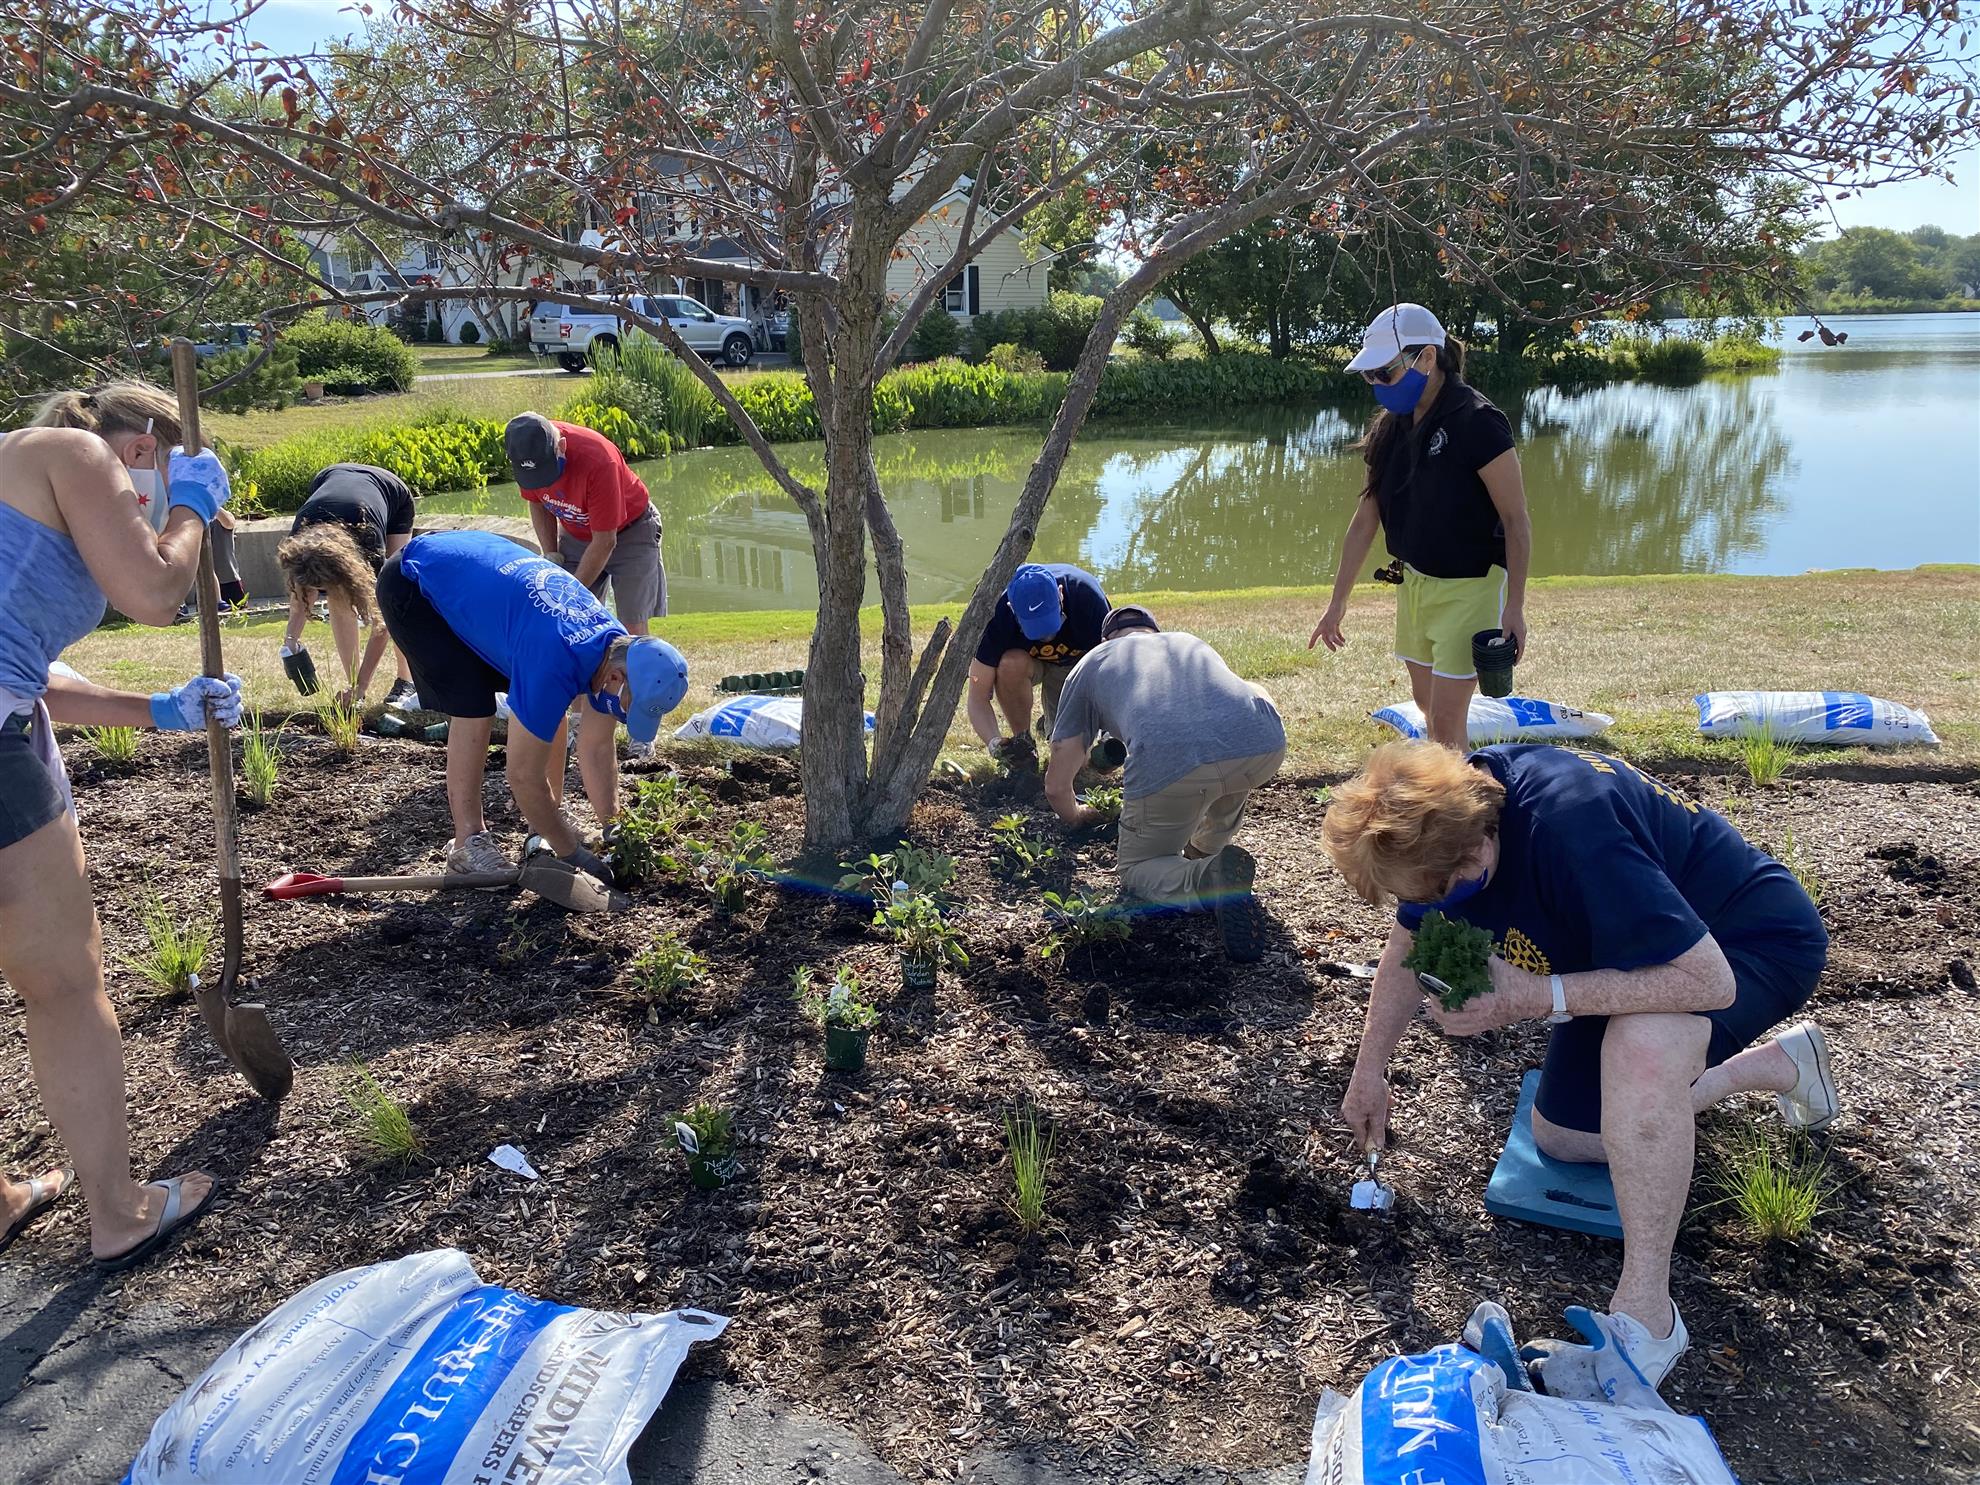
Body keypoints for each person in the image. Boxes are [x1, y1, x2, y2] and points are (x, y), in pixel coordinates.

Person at [1320, 741, 1835, 1400]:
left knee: (1641, 1053)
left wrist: (1539, 995)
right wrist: (1369, 1072)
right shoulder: (1441, 832)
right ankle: (1779, 1065)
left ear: (1479, 843)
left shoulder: (1572, 825)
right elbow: (1408, 942)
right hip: (1625, 951)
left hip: (1741, 944)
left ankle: (1647, 1323)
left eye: (1450, 890)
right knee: (1567, 1135)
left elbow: (1707, 979)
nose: (1436, 905)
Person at [1, 379, 245, 1267]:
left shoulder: (21, 477)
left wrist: (162, 711)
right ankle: (120, 1210)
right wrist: (186, 513)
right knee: (65, 980)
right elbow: (154, 589)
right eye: (173, 468)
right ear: (147, 443)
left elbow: (21, 671)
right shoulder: (79, 455)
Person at [377, 529, 689, 879]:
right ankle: (469, 842)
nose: (624, 713)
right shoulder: (556, 659)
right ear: (616, 679)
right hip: (416, 583)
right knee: (474, 707)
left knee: (544, 711)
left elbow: (598, 747)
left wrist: (613, 827)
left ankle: (545, 820)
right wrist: (572, 853)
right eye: (630, 705)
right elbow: (522, 776)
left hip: (479, 578)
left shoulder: (616, 647)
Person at [1309, 304, 1532, 752]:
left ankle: (1469, 817)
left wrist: (1515, 608)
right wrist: (1337, 602)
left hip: (1469, 590)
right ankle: (1448, 804)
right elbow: (1364, 520)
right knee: (1427, 707)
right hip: (1413, 585)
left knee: (1448, 726)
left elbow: (1516, 520)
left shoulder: (1479, 423)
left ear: (1427, 358)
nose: (1377, 385)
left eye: (1385, 372)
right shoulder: (1390, 429)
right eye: (1369, 376)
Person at [1042, 605, 1285, 960]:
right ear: (1154, 632)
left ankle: (1208, 879)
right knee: (1226, 764)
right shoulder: (1187, 642)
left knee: (1138, 869)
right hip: (1263, 745)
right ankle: (1208, 848)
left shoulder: (1094, 662)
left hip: (1170, 758)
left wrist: (1077, 815)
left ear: (1106, 639)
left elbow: (1057, 780)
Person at [504, 413, 665, 634]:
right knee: (569, 622)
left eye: (548, 473)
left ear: (561, 446)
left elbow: (605, 541)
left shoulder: (599, 460)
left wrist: (572, 592)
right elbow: (537, 503)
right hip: (576, 534)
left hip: (631, 530)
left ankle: (636, 667)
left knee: (631, 626)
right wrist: (551, 554)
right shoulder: (527, 451)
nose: (544, 482)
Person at [277, 463, 418, 706]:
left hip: (391, 492)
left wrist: (363, 687)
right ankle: (351, 682)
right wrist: (291, 640)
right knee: (338, 599)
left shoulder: (369, 543)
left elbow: (381, 625)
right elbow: (300, 594)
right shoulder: (300, 540)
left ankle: (405, 679)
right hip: (330, 477)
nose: (318, 592)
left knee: (399, 591)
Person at [967, 562, 1109, 767]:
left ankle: (1052, 725)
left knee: (1076, 761)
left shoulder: (1086, 597)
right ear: (1012, 608)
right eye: (1036, 629)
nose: (1046, 637)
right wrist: (993, 742)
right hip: (1026, 663)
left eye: (1052, 622)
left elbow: (1111, 673)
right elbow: (977, 696)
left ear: (1060, 594)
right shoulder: (996, 614)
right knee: (1009, 664)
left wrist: (1108, 734)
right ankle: (1024, 744)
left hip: (1077, 667)